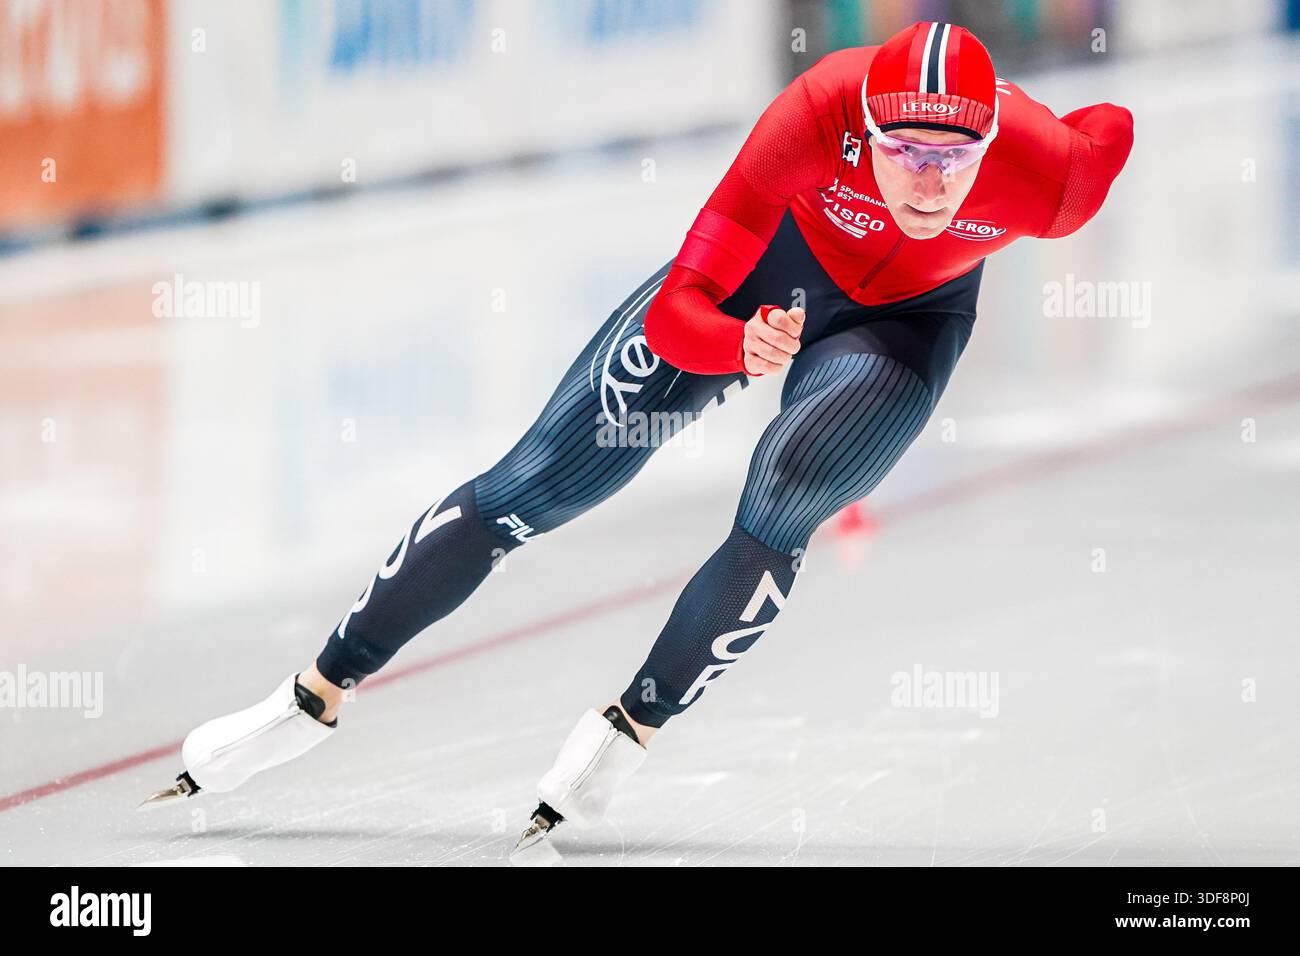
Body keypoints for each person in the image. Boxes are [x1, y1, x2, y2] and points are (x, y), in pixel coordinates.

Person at [141, 21, 1134, 863]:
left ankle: (628, 729)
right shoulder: (812, 110)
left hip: (904, 324)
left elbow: (1109, 130)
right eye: (902, 150)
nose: (927, 181)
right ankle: (312, 691)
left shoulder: (1050, 177)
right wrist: (736, 341)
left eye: (954, 155)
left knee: (781, 500)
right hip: (762, 280)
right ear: (857, 129)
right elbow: (676, 312)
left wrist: (1034, 119)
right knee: (532, 483)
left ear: (993, 135)